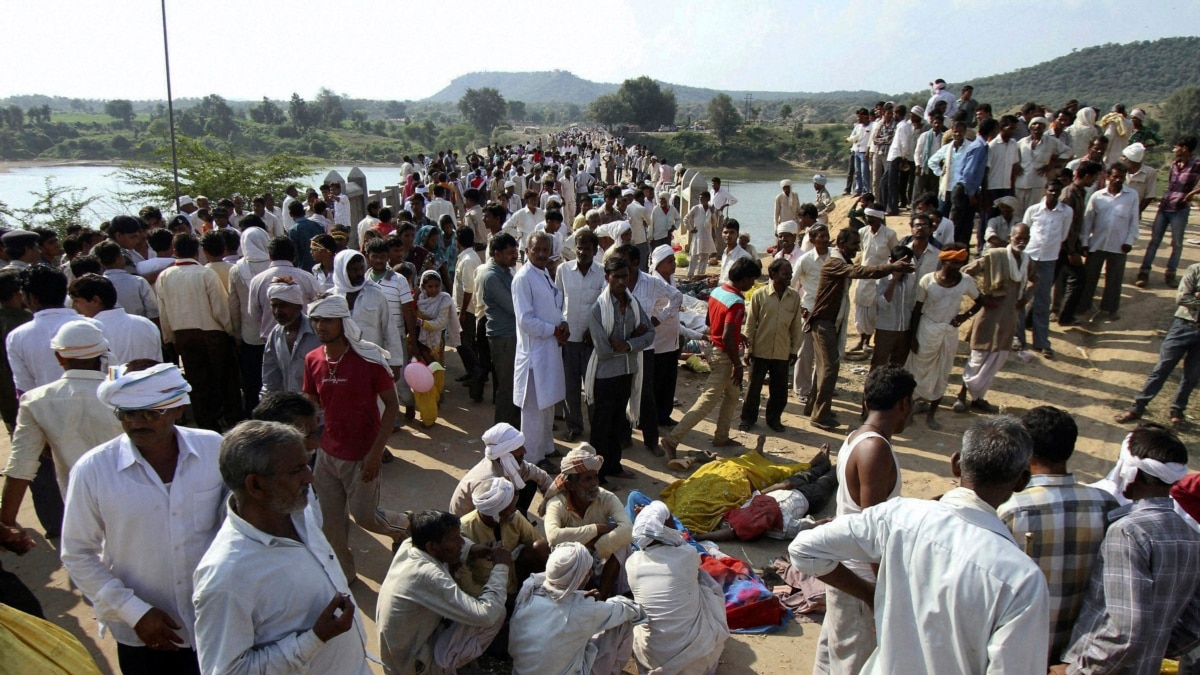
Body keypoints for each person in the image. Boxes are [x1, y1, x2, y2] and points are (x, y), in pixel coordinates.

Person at [790, 416, 1049, 674]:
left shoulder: (898, 517)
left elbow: (804, 549)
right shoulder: (1021, 579)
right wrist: (870, 594)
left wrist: (871, 595)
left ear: (956, 464)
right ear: (1022, 481)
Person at [62, 362, 225, 675]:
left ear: (178, 409)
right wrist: (133, 612)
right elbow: (77, 553)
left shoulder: (213, 449)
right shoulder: (93, 470)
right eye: (126, 414)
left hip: (217, 624)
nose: (136, 423)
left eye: (150, 413)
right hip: (146, 637)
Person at [191, 420, 369, 675]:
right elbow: (227, 671)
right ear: (256, 485)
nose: (310, 476)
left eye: (307, 464)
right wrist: (313, 639)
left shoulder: (300, 510)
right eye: (297, 470)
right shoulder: (226, 577)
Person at [1058, 424, 1199, 674]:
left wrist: (1077, 671)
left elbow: (1125, 632)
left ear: (1134, 473)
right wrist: (1154, 647)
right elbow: (1194, 623)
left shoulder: (1128, 531)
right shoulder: (1190, 535)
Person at [804, 364, 912, 674]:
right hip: (861, 577)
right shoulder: (875, 449)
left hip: (847, 570)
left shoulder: (858, 437)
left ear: (865, 401)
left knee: (834, 653)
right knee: (853, 663)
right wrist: (882, 592)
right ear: (905, 404)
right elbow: (873, 532)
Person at [996, 407, 1118, 663]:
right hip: (1078, 655)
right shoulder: (1106, 505)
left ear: (1025, 450)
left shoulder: (1011, 509)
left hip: (1020, 650)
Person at [303, 294, 409, 580]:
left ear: (342, 322)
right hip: (327, 456)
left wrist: (375, 454)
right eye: (316, 320)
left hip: (363, 456)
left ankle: (407, 527)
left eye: (327, 320)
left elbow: (391, 406)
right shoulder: (312, 359)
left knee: (366, 518)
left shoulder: (369, 359)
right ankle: (344, 577)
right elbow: (310, 402)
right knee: (331, 525)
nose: (320, 326)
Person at [0, 321, 123, 543]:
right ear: (103, 353)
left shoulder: (36, 401)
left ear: (59, 357)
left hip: (80, 511)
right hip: (137, 503)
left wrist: (7, 526)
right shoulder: (125, 393)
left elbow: (21, 466)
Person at [377, 510, 510, 675]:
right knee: (496, 614)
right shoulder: (427, 576)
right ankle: (443, 668)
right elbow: (486, 615)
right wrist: (501, 567)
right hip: (412, 665)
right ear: (432, 547)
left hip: (406, 648)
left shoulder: (410, 546)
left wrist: (473, 549)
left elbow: (457, 546)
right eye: (455, 539)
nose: (462, 542)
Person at [806, 229, 913, 430]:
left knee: (824, 368)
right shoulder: (834, 263)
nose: (857, 248)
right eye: (854, 243)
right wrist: (891, 268)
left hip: (830, 322)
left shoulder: (840, 261)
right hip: (824, 322)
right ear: (842, 243)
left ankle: (816, 408)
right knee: (830, 368)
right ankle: (819, 416)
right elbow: (861, 272)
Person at [660, 258, 759, 459]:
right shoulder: (737, 303)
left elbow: (711, 323)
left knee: (732, 395)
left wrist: (735, 335)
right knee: (705, 402)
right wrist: (737, 364)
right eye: (752, 280)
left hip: (713, 349)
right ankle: (672, 440)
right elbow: (726, 336)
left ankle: (721, 436)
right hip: (724, 356)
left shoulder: (718, 291)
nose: (752, 285)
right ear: (745, 279)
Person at [509, 541, 647, 675]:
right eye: (587, 572)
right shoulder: (583, 609)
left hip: (520, 671)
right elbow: (630, 610)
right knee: (622, 621)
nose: (590, 575)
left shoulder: (530, 588)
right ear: (578, 577)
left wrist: (581, 598)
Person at [626, 501, 729, 674]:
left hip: (652, 659)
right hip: (699, 660)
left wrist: (649, 521)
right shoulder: (687, 554)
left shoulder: (632, 563)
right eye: (671, 520)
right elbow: (680, 544)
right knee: (704, 582)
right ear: (666, 527)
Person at [155, 233, 241, 431]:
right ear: (197, 252)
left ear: (174, 251)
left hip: (183, 337)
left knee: (197, 384)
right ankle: (232, 421)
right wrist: (230, 332)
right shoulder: (204, 273)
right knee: (225, 381)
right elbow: (220, 308)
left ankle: (206, 426)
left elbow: (163, 312)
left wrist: (169, 338)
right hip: (213, 335)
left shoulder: (164, 277)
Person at [586, 256, 655, 482]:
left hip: (627, 372)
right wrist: (632, 342)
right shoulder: (599, 308)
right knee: (601, 428)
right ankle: (599, 475)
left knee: (618, 425)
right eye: (616, 277)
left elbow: (649, 334)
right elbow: (603, 350)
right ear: (607, 278)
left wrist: (628, 344)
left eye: (625, 276)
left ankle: (614, 466)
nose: (621, 281)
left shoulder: (633, 304)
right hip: (605, 376)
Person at [954, 224, 1034, 413]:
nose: (1022, 242)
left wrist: (1026, 298)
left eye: (1025, 238)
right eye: (1018, 238)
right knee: (978, 356)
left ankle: (978, 398)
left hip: (1009, 316)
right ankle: (961, 395)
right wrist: (980, 296)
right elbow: (966, 272)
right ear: (1009, 237)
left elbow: (1035, 279)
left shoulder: (1026, 260)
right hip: (989, 315)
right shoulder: (996, 255)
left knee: (996, 359)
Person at [542, 444, 634, 600]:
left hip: (600, 561)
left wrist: (596, 547)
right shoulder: (557, 504)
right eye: (587, 479)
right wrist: (596, 529)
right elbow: (553, 537)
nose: (594, 484)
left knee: (623, 544)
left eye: (595, 477)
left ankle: (602, 597)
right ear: (571, 485)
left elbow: (628, 530)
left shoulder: (606, 497)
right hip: (572, 566)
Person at [1117, 260, 1200, 430]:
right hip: (1184, 325)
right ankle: (1138, 406)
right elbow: (1183, 298)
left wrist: (1197, 296)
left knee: (1192, 376)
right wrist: (1194, 297)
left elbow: (1191, 299)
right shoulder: (1196, 269)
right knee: (1162, 368)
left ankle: (1177, 411)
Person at [907, 243, 982, 430]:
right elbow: (917, 310)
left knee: (942, 372)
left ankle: (932, 414)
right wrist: (912, 337)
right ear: (943, 261)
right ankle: (909, 410)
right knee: (916, 370)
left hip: (948, 332)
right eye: (952, 262)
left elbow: (980, 301)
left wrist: (964, 317)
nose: (956, 266)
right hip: (926, 330)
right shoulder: (928, 280)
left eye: (959, 263)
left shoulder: (965, 281)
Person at [512, 232, 568, 467]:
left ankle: (546, 447)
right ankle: (534, 458)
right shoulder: (523, 278)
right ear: (527, 251)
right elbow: (526, 321)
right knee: (534, 410)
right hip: (535, 354)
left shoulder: (544, 273)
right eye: (538, 250)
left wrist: (562, 324)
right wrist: (554, 330)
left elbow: (555, 305)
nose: (543, 254)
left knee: (547, 405)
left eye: (547, 250)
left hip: (550, 350)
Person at [456, 477, 549, 597]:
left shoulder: (513, 517)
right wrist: (497, 601)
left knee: (540, 547)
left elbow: (536, 541)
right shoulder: (463, 532)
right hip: (489, 593)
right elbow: (466, 585)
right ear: (497, 513)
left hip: (515, 578)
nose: (515, 510)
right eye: (510, 509)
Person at [740, 258, 803, 433]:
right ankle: (748, 419)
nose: (789, 277)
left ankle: (774, 419)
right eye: (785, 274)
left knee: (780, 390)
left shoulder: (794, 297)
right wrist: (748, 349)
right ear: (773, 274)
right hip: (760, 349)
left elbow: (796, 326)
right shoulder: (759, 295)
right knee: (754, 388)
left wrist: (794, 350)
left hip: (782, 351)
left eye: (790, 274)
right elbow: (750, 324)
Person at [556, 229, 606, 443]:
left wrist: (593, 331)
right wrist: (560, 325)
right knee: (571, 386)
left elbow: (604, 306)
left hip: (592, 341)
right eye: (579, 247)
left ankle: (597, 428)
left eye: (587, 248)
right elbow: (557, 302)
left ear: (595, 251)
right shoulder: (563, 270)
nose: (582, 251)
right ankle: (575, 427)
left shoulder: (603, 273)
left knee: (593, 387)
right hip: (569, 339)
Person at [449, 423, 553, 518]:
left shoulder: (511, 463)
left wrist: (549, 499)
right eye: (518, 448)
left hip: (495, 513)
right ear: (505, 454)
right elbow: (486, 518)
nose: (524, 451)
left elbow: (542, 477)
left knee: (530, 482)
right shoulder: (487, 480)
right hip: (473, 526)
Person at [1078, 163, 1139, 323]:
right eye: (1115, 176)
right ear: (1108, 177)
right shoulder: (1097, 196)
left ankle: (1109, 309)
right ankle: (1083, 306)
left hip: (1119, 245)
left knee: (1114, 279)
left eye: (1122, 176)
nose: (1118, 180)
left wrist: (1129, 241)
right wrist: (1084, 242)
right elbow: (1087, 221)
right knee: (1089, 277)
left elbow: (1134, 221)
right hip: (1097, 244)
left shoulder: (1131, 196)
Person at [1136, 136, 1200, 289]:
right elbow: (1172, 184)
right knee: (1154, 242)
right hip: (1164, 207)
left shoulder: (1197, 164)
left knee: (1177, 244)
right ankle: (1144, 273)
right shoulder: (1174, 164)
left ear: (1184, 148)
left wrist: (1192, 194)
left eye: (1176, 147)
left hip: (1180, 209)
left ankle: (1170, 274)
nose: (1174, 150)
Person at [1023, 181, 1074, 359]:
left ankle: (1041, 342)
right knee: (1021, 298)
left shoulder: (1066, 212)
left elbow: (1063, 236)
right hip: (1029, 257)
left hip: (1049, 259)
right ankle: (1018, 338)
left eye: (1056, 192)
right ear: (1045, 191)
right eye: (1050, 191)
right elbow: (1025, 231)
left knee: (1042, 302)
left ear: (1060, 193)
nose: (1053, 194)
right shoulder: (1034, 210)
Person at [68, 273, 161, 365]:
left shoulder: (90, 331)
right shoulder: (146, 324)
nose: (73, 307)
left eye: (77, 301)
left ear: (95, 301)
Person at [479, 233, 521, 429]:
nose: (515, 256)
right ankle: (503, 433)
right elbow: (514, 306)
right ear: (497, 254)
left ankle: (513, 429)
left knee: (515, 386)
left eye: (516, 252)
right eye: (510, 253)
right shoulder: (492, 277)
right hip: (503, 337)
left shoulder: (505, 271)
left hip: (512, 335)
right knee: (507, 387)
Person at [260, 278, 320, 395]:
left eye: (283, 306)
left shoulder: (318, 332)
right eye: (274, 306)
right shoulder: (275, 335)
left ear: (298, 306)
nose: (277, 312)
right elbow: (270, 379)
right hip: (290, 408)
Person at [413, 270, 457, 427]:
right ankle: (428, 414)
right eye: (429, 286)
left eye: (436, 286)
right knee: (422, 379)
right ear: (423, 287)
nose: (433, 290)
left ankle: (436, 398)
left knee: (436, 373)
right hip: (418, 343)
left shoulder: (444, 299)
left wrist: (419, 322)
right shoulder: (417, 299)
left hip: (435, 344)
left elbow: (439, 323)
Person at [792, 224, 831, 403]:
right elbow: (791, 284)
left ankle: (819, 388)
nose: (825, 239)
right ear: (813, 239)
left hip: (829, 313)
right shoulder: (805, 260)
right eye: (821, 236)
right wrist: (799, 307)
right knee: (805, 353)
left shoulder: (835, 257)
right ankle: (802, 389)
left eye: (826, 235)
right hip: (809, 312)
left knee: (824, 355)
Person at [851, 208, 898, 354]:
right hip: (864, 276)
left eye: (871, 217)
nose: (868, 220)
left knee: (874, 311)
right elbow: (863, 251)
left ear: (879, 218)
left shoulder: (889, 234)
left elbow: (895, 253)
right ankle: (861, 340)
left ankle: (867, 341)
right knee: (860, 309)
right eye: (867, 217)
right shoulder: (863, 232)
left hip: (881, 278)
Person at [870, 245, 916, 370]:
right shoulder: (882, 278)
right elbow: (883, 303)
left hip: (904, 329)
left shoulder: (911, 278)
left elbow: (912, 303)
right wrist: (894, 280)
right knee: (879, 364)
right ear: (892, 262)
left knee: (898, 366)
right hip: (886, 329)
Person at [682, 191, 717, 279]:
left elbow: (715, 223)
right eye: (700, 198)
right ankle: (690, 276)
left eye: (703, 198)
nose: (701, 200)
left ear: (708, 199)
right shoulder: (696, 208)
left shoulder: (711, 209)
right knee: (694, 257)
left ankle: (700, 276)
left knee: (704, 258)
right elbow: (686, 219)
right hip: (697, 236)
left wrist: (712, 213)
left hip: (707, 236)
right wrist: (690, 229)